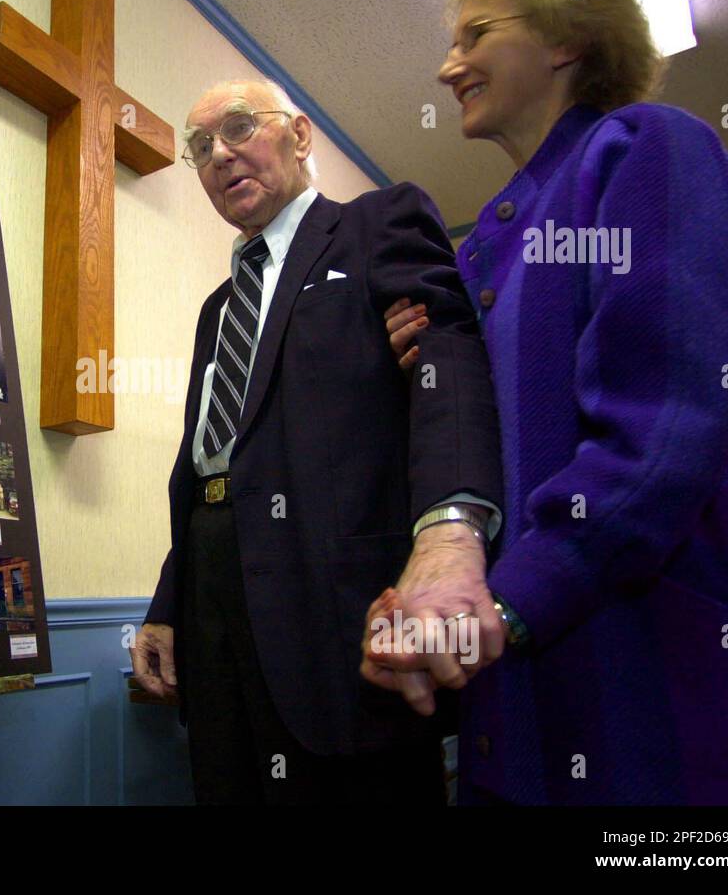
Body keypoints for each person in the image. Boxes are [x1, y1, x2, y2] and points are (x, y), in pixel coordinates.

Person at [369, 0, 728, 805]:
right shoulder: (481, 246)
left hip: (655, 688)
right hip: (520, 696)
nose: (448, 66)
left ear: (563, 39)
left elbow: (666, 429)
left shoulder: (651, 146)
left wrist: (507, 608)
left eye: (476, 35)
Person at [128, 78, 502, 805]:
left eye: (240, 128)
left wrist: (453, 531)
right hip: (211, 600)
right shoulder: (218, 310)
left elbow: (448, 368)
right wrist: (167, 605)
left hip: (336, 613)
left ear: (300, 135)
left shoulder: (375, 223)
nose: (220, 155)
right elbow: (213, 464)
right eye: (201, 148)